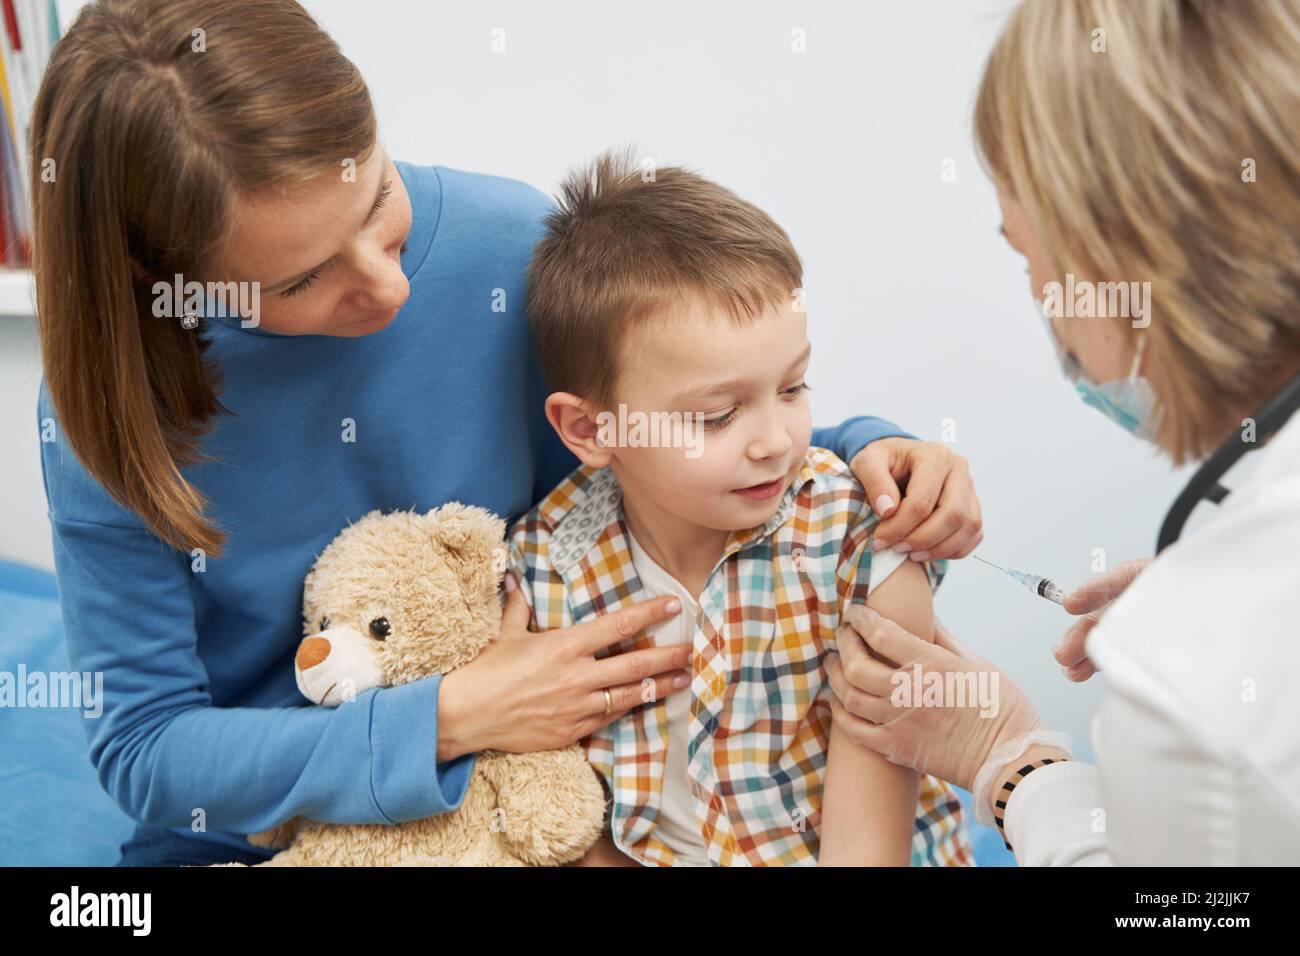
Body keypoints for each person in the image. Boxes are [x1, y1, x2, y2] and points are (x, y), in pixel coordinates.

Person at [31, 0, 985, 866]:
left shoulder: (505, 247)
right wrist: (449, 718)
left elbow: (685, 409)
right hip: (274, 832)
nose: (388, 286)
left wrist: (870, 445)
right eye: (300, 282)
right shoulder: (105, 412)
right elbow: (148, 751)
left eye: (381, 210)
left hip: (541, 802)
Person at [827, 0, 1300, 865]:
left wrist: (1006, 759)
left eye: (1026, 254)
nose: (1044, 299)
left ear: (1121, 249)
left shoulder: (1205, 661)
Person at [510, 152, 973, 866]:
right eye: (717, 416)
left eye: (793, 388)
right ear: (590, 431)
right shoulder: (544, 565)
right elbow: (557, 798)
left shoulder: (861, 545)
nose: (776, 442)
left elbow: (868, 849)